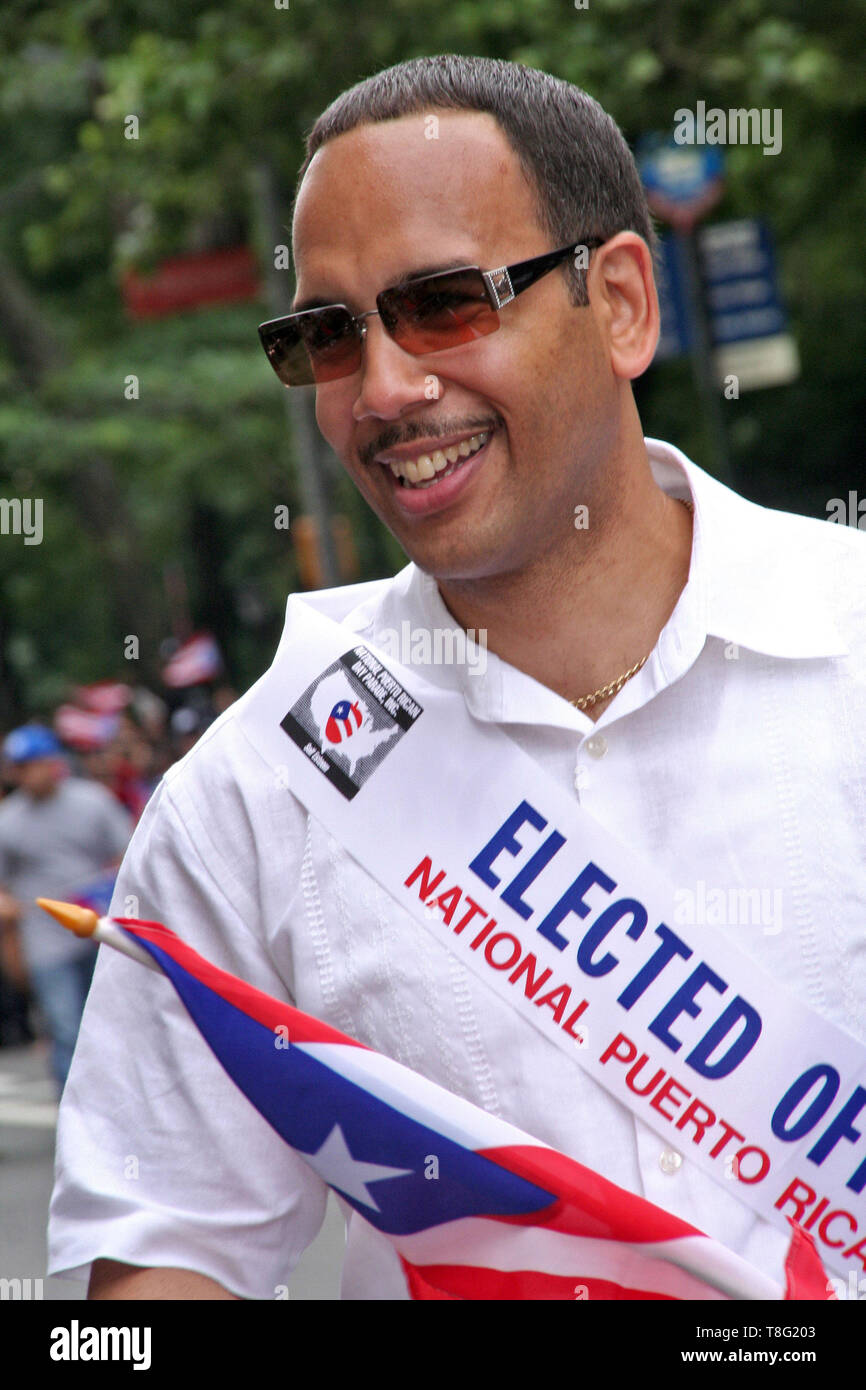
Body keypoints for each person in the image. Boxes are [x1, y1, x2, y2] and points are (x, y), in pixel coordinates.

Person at [48, 55, 865, 1300]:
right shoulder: (251, 800)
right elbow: (161, 1257)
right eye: (327, 336)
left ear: (624, 304)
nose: (383, 390)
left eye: (443, 304)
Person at [0, 725, 133, 1093]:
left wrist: (109, 887)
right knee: (66, 1027)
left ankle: (122, 1103)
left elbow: (130, 853)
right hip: (47, 941)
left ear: (53, 762)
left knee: (114, 1020)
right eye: (21, 766)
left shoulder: (92, 801)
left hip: (101, 931)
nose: (30, 773)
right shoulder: (8, 821)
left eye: (35, 763)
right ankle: (78, 1110)